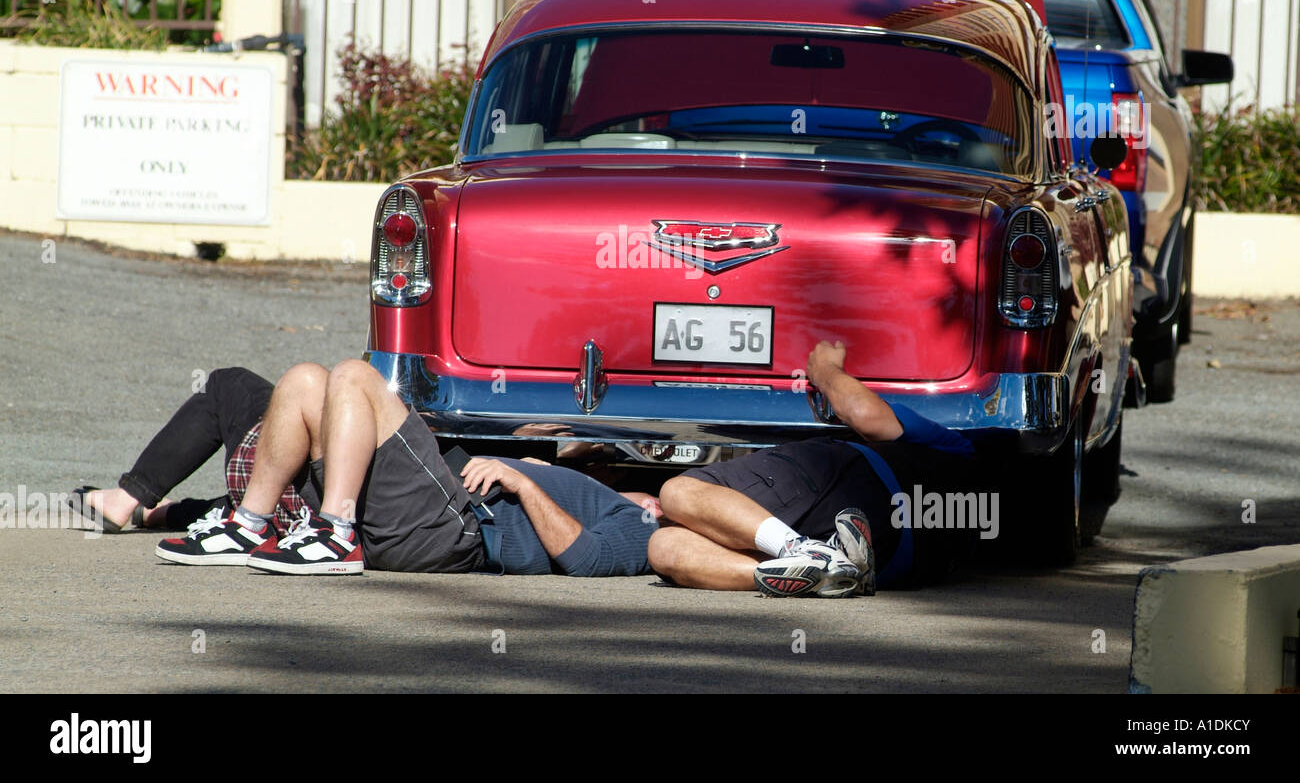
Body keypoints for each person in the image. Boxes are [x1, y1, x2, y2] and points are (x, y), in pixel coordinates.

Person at [155, 359, 657, 578]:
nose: (658, 496)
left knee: (355, 376)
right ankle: (249, 524)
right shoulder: (599, 494)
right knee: (307, 379)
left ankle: (335, 534)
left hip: (457, 531)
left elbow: (587, 561)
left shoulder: (646, 526)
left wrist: (523, 482)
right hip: (429, 513)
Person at [648, 339, 991, 597]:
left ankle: (802, 552)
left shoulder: (959, 450)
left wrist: (825, 369)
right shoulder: (967, 534)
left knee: (678, 492)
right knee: (664, 547)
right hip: (885, 560)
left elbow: (866, 417)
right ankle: (817, 573)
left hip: (855, 486)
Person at [67, 367, 320, 535]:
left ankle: (127, 496)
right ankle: (167, 513)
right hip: (337, 521)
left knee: (227, 386)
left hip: (299, 500)